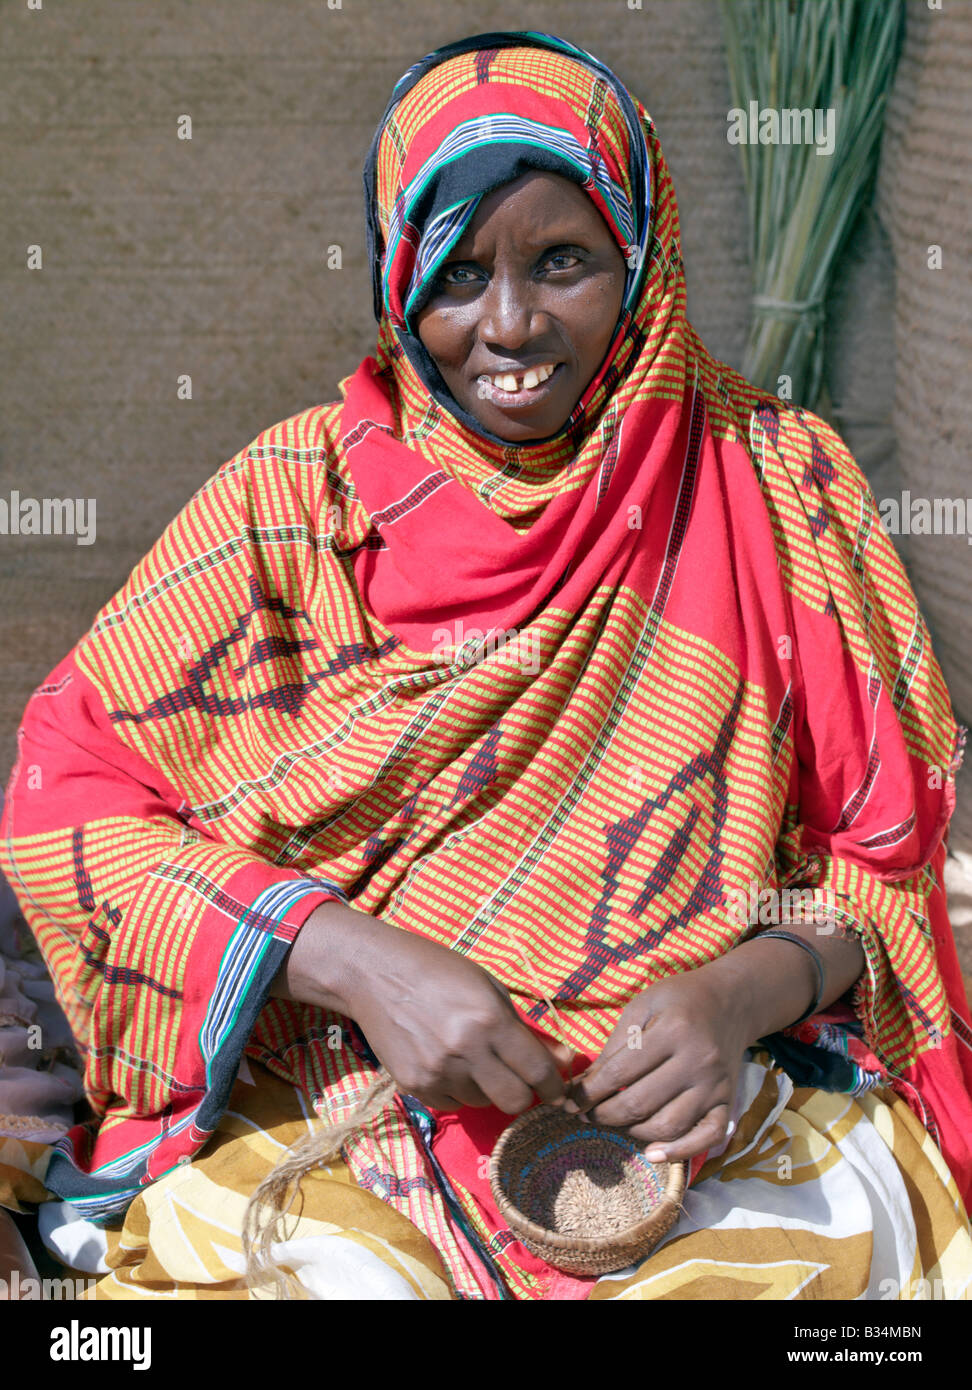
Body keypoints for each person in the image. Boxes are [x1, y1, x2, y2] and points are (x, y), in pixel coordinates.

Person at [2, 31, 971, 1302]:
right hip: (350, 1096)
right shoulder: (295, 500)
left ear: (641, 250)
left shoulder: (780, 482)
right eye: (456, 272)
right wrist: (353, 958)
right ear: (399, 281)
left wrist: (735, 998)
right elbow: (67, 794)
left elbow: (883, 867)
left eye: (561, 261)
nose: (508, 324)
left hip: (698, 1113)